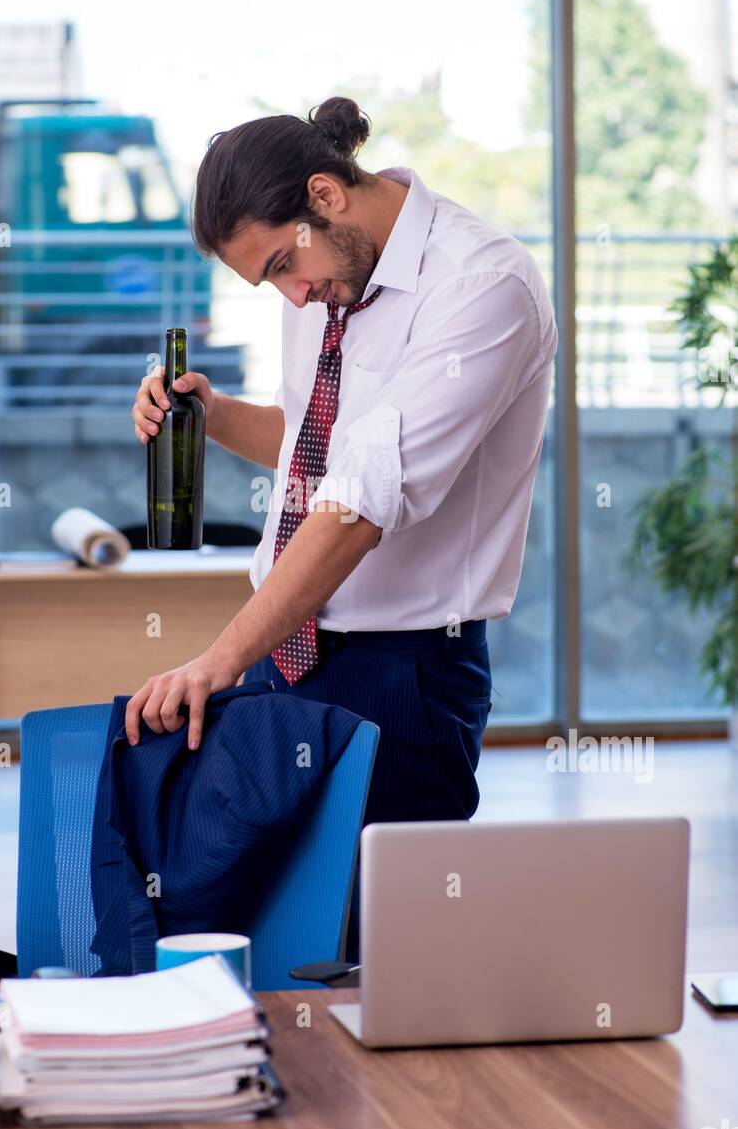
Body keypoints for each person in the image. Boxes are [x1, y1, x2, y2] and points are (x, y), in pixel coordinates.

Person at [129, 96, 558, 957]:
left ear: (325, 194)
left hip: (399, 681)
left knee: (377, 957)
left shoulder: (481, 288)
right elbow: (312, 449)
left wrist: (221, 657)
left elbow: (358, 503)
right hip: (290, 659)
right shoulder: (325, 284)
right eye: (269, 283)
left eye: (286, 266)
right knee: (271, 938)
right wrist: (209, 415)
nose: (291, 295)